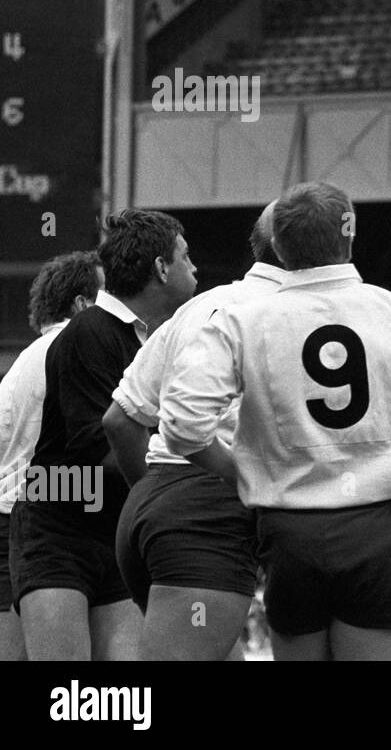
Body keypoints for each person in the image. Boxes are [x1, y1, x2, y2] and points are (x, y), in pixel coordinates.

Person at [159, 182, 391, 660]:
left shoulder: (243, 319)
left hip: (291, 533)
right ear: (349, 237)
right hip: (379, 528)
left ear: (279, 248)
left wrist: (245, 472)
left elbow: (181, 425)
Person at [12, 210, 196, 660]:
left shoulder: (155, 338)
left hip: (114, 529)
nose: (195, 268)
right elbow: (100, 447)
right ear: (160, 268)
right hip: (57, 532)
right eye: (186, 256)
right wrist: (181, 482)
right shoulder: (89, 332)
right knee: (69, 691)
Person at [103, 202, 282, 660]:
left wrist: (158, 493)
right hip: (207, 517)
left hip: (150, 510)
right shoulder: (304, 312)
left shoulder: (201, 306)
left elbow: (120, 420)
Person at [0, 252, 102, 661]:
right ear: (82, 305)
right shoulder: (76, 351)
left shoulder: (23, 365)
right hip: (40, 523)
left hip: (20, 520)